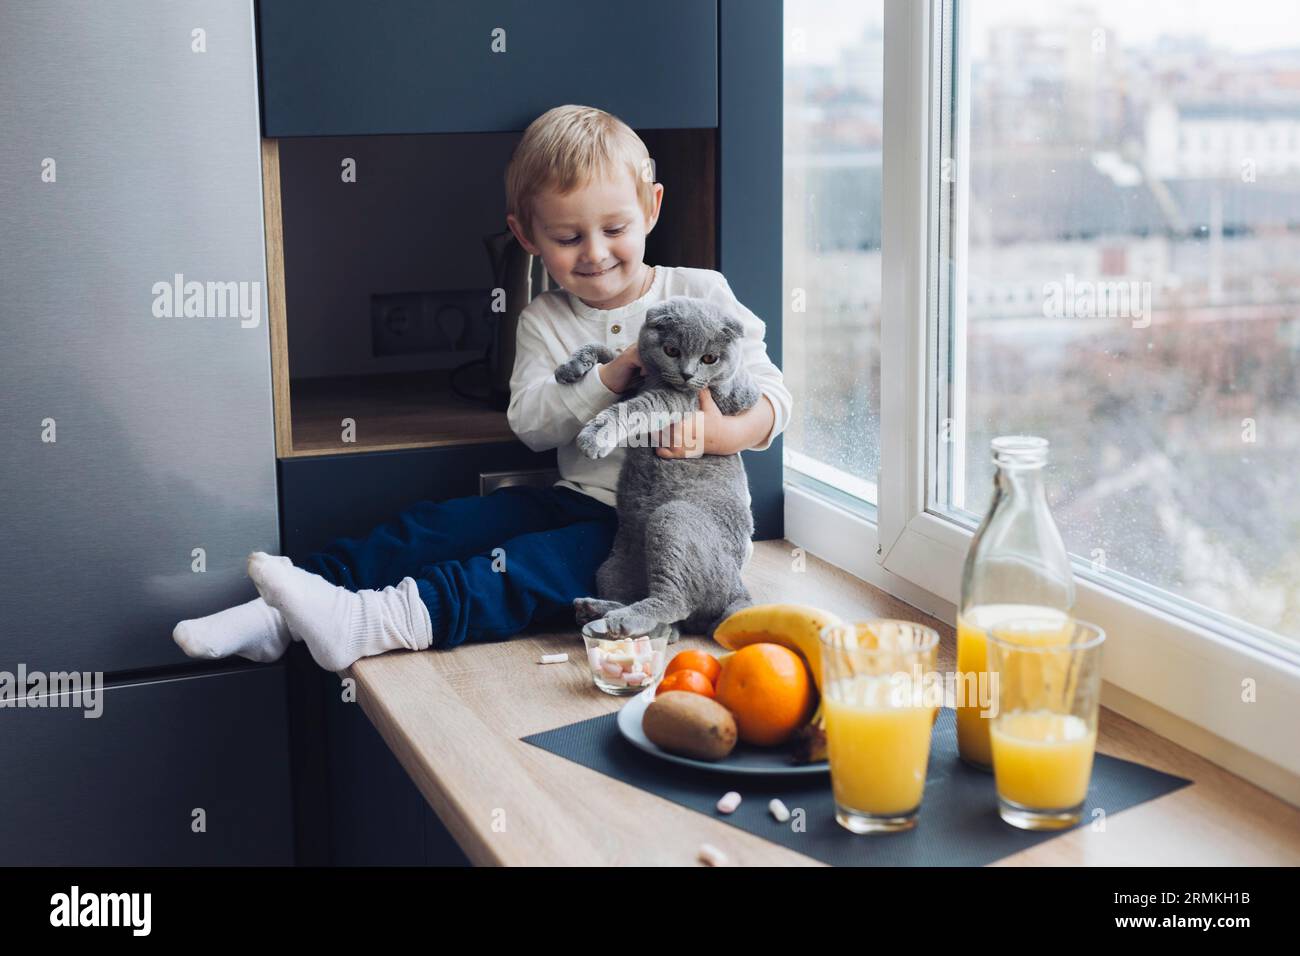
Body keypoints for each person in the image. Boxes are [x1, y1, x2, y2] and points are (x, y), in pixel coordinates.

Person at [173, 104, 792, 673]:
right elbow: (531, 424)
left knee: (515, 574)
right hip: (576, 498)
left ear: (652, 209)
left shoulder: (702, 292)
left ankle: (369, 624)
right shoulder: (544, 320)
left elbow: (774, 395)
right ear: (527, 238)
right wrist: (609, 376)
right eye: (569, 238)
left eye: (615, 229)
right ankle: (278, 612)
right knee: (434, 530)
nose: (596, 254)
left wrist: (724, 433)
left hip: (665, 534)